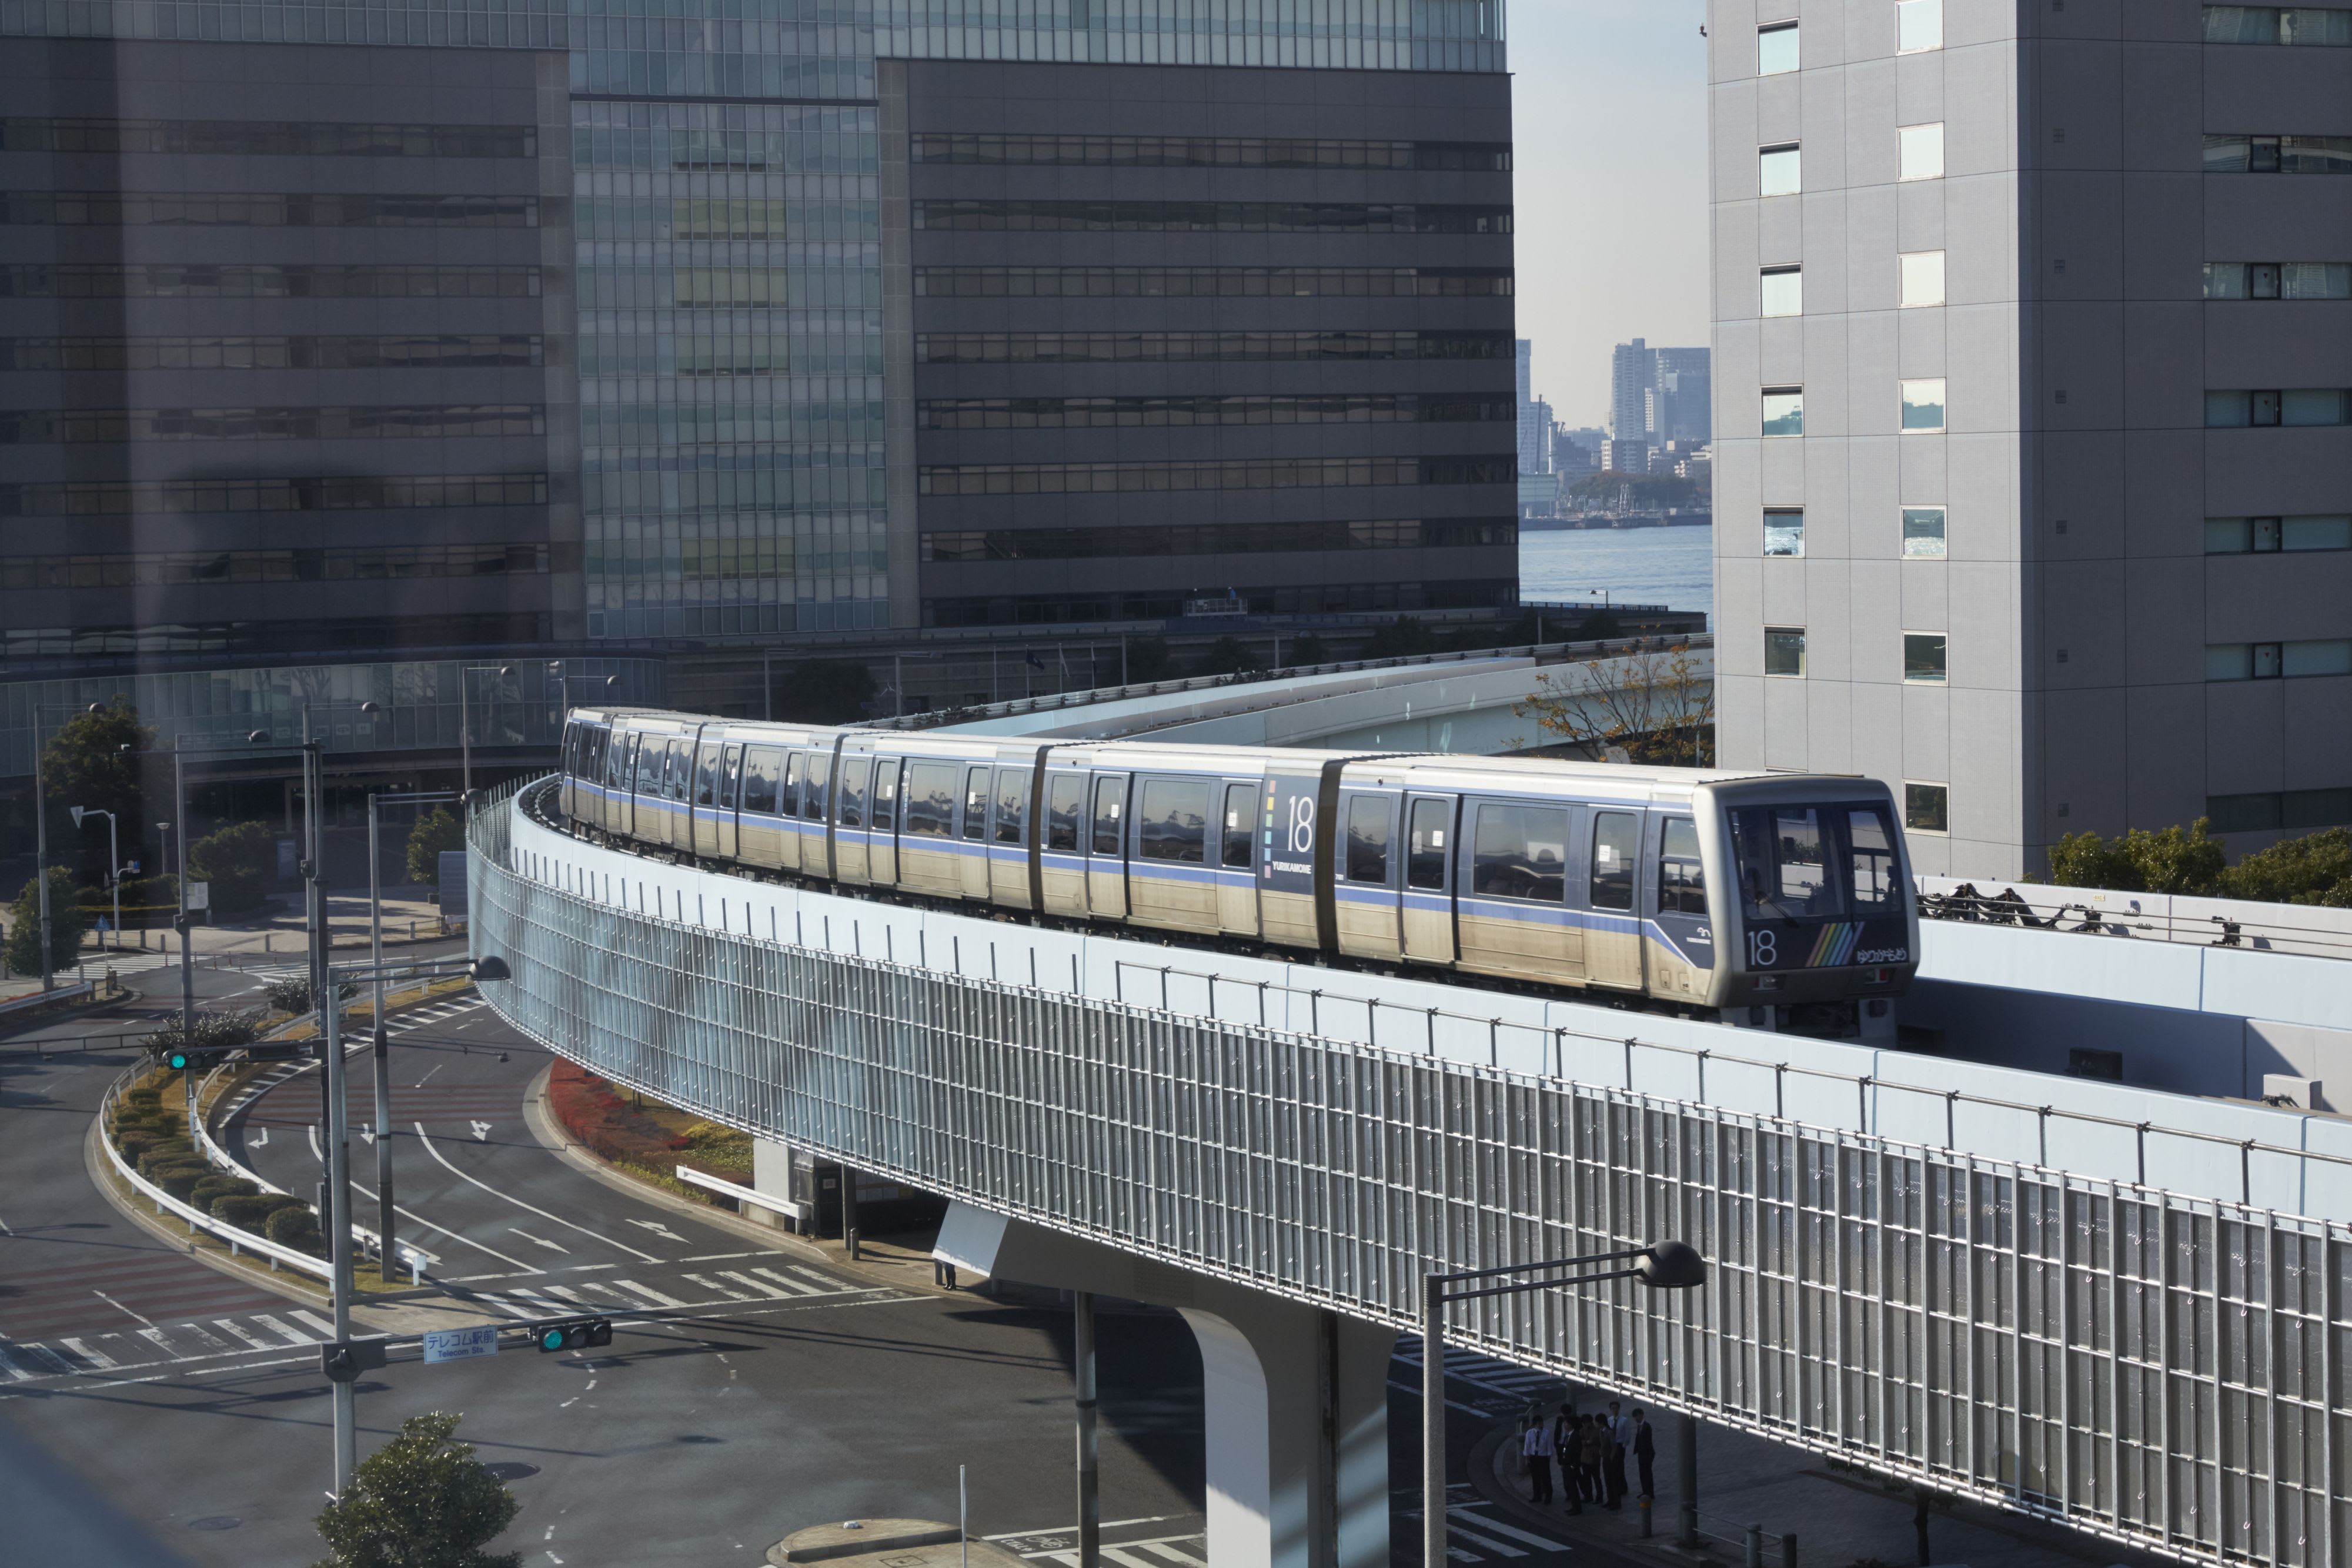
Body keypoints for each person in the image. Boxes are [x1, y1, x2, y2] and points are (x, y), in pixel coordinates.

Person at [1521, 1413, 1555, 1502]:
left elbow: (1549, 1447)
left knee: (1546, 1478)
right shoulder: (1530, 1433)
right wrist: (1527, 1459)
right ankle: (1537, 1496)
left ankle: (1548, 1496)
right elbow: (1527, 1447)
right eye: (1539, 1423)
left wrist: (1548, 1458)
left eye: (1542, 1423)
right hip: (1533, 1457)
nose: (1541, 1425)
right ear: (1535, 1424)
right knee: (1535, 1478)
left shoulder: (1546, 1433)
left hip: (1543, 1458)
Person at [1605, 1400, 1632, 1509]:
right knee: (1614, 1467)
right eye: (1613, 1408)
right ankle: (1619, 1486)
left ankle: (1623, 1487)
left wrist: (1624, 1446)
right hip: (1612, 1446)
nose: (1615, 1410)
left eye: (1616, 1408)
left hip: (1620, 1446)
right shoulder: (1609, 1420)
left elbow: (1628, 1434)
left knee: (1620, 1466)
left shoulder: (1624, 1420)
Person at [1577, 1415, 1609, 1509]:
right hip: (1584, 1458)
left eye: (1585, 1423)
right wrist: (1586, 1442)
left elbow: (1593, 1441)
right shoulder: (1582, 1431)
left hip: (1594, 1458)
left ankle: (1599, 1497)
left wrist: (1586, 1443)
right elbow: (1581, 1440)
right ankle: (1588, 1496)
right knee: (1587, 1478)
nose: (1584, 1425)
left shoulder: (1596, 1431)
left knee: (1596, 1478)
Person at [1632, 1407, 1656, 1499]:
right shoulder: (1640, 1426)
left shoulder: (1647, 1426)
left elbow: (1647, 1442)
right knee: (1642, 1474)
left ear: (1641, 1415)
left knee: (1647, 1474)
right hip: (1641, 1454)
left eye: (1637, 1416)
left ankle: (1650, 1493)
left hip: (1647, 1454)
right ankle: (1645, 1491)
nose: (1636, 1419)